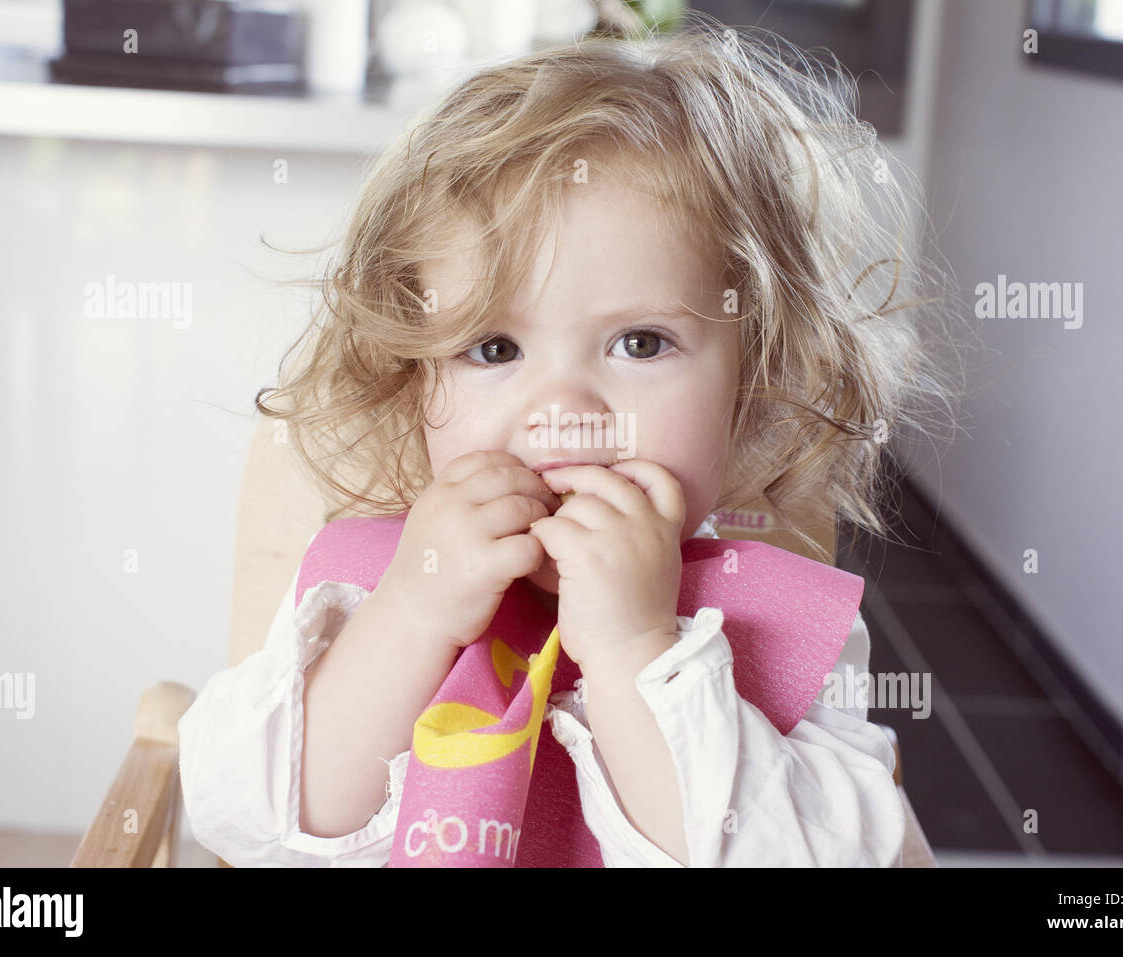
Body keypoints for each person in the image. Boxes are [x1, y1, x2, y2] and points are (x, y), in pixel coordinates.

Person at [178, 15, 960, 867]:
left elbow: (822, 856)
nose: (563, 407)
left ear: (752, 381)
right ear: (415, 381)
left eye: (641, 343)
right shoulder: (365, 592)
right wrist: (412, 615)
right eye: (494, 348)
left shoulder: (779, 627)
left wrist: (635, 651)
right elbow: (248, 819)